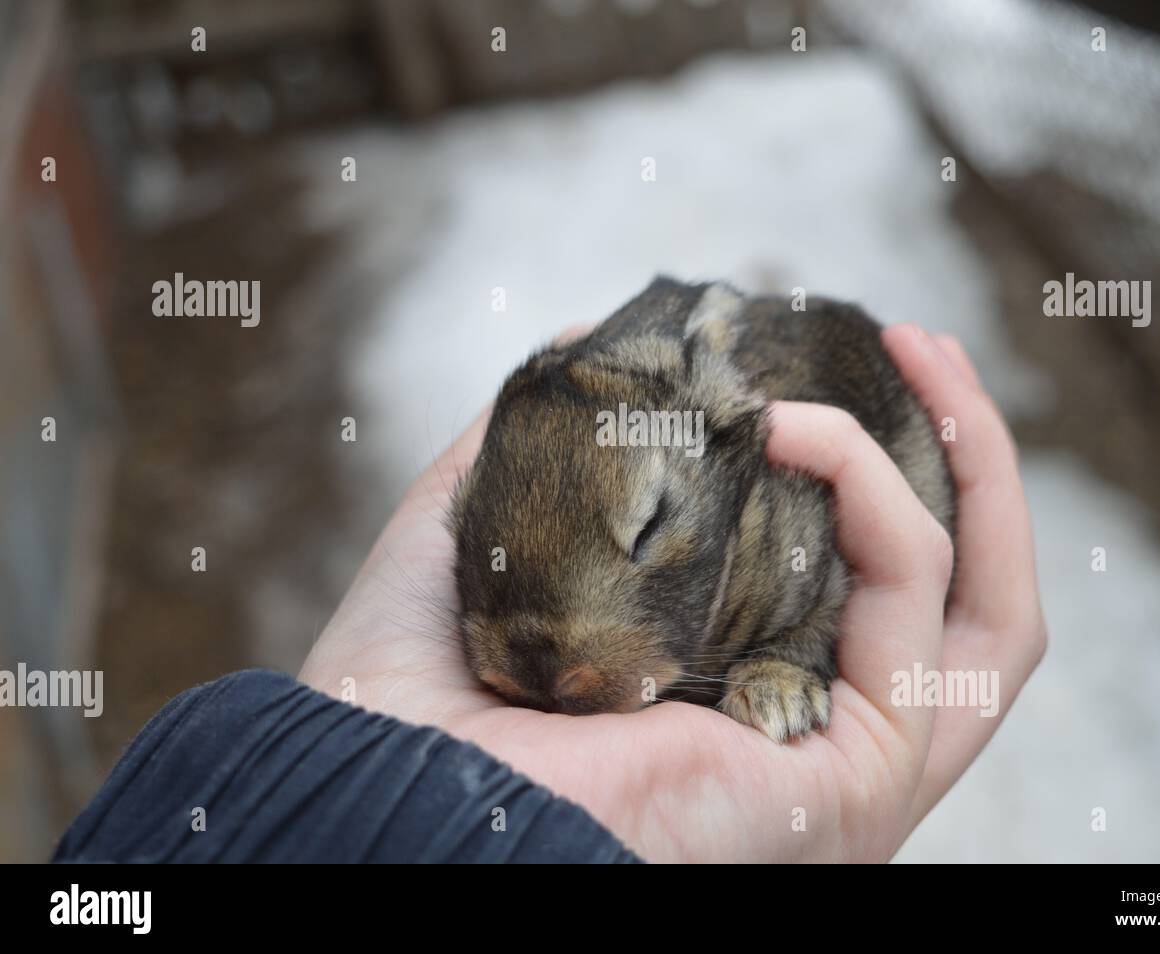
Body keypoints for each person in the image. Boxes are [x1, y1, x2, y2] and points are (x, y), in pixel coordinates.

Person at [54, 325, 1045, 863]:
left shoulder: (776, 517)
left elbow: (834, 577)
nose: (556, 676)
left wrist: (784, 655)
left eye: (649, 530)